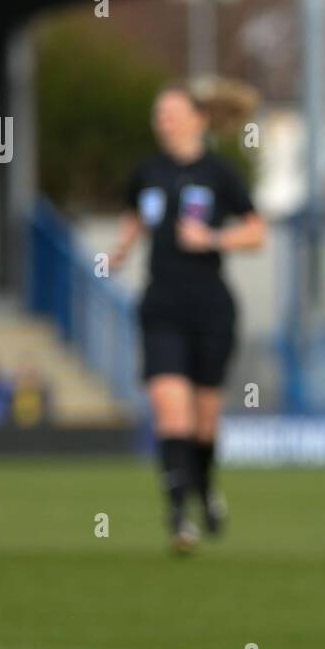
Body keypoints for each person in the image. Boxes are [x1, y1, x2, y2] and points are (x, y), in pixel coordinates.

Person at [111, 87, 265, 554]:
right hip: (160, 304)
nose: (164, 122)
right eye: (159, 114)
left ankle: (205, 488)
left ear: (197, 119)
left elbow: (257, 232)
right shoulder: (147, 172)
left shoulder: (219, 173)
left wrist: (212, 238)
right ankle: (179, 517)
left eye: (173, 113)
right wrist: (120, 251)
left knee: (203, 424)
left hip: (210, 307)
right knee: (169, 410)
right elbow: (135, 218)